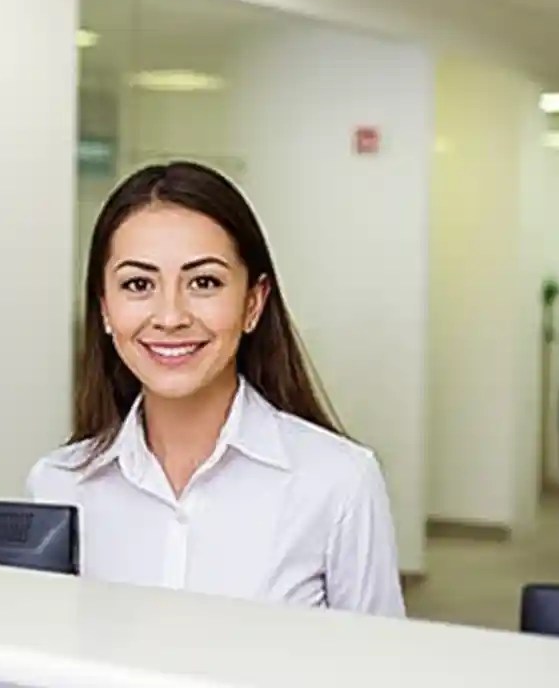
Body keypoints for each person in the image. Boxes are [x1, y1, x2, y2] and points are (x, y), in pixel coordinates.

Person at [26, 161, 404, 616]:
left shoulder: (339, 482)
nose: (170, 316)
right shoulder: (59, 483)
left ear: (252, 303)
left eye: (204, 282)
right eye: (138, 284)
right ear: (105, 309)